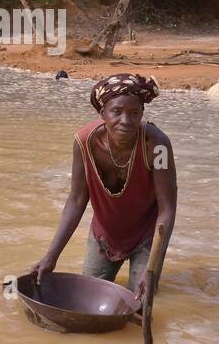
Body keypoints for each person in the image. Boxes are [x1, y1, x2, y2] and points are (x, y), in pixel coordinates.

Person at [29, 74, 177, 300]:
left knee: (140, 301)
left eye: (134, 113)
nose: (125, 120)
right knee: (89, 298)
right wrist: (51, 256)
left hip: (146, 234)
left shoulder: (157, 146)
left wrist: (151, 269)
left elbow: (167, 208)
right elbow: (77, 200)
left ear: (141, 114)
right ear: (103, 114)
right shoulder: (84, 142)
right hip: (105, 236)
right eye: (116, 112)